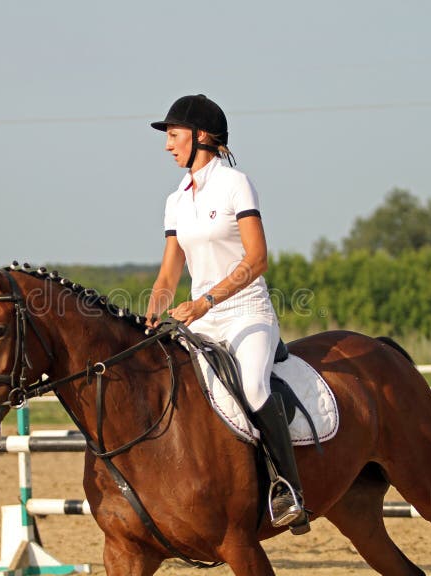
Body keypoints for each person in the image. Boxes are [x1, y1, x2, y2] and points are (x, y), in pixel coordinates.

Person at [144, 94, 308, 532]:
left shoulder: (236, 183)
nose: (167, 146)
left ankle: (288, 490)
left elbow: (257, 259)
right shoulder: (176, 199)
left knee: (253, 389)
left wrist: (204, 302)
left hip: (245, 313)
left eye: (173, 135)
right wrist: (153, 313)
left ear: (200, 137)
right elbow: (168, 273)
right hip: (199, 319)